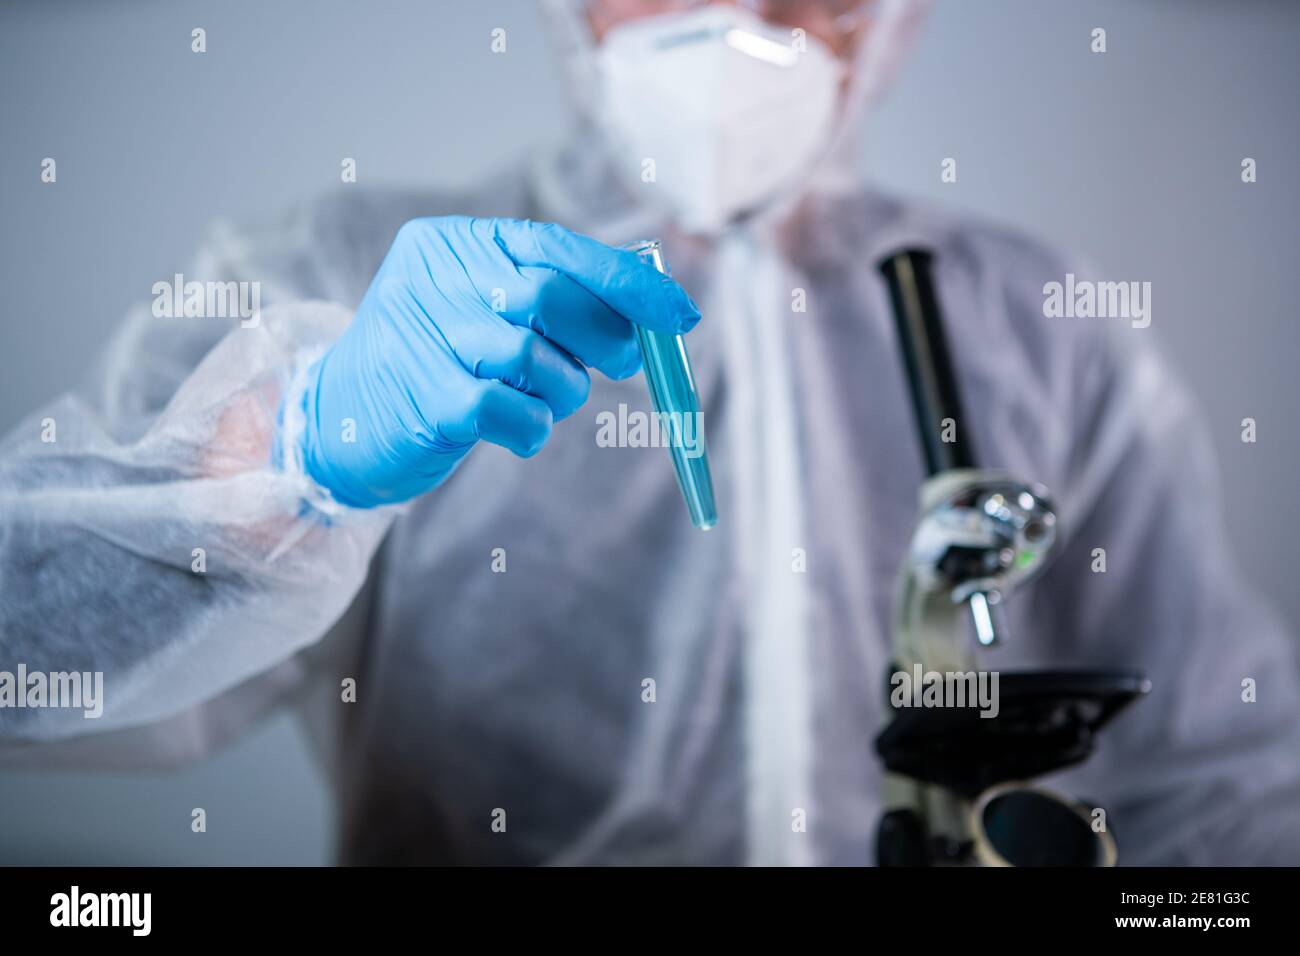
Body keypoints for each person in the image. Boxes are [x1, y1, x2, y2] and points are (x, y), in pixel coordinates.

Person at [1, 0, 1297, 866]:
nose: (737, 23)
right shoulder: (341, 280)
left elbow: (1226, 792)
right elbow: (20, 658)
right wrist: (292, 459)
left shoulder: (1044, 323)